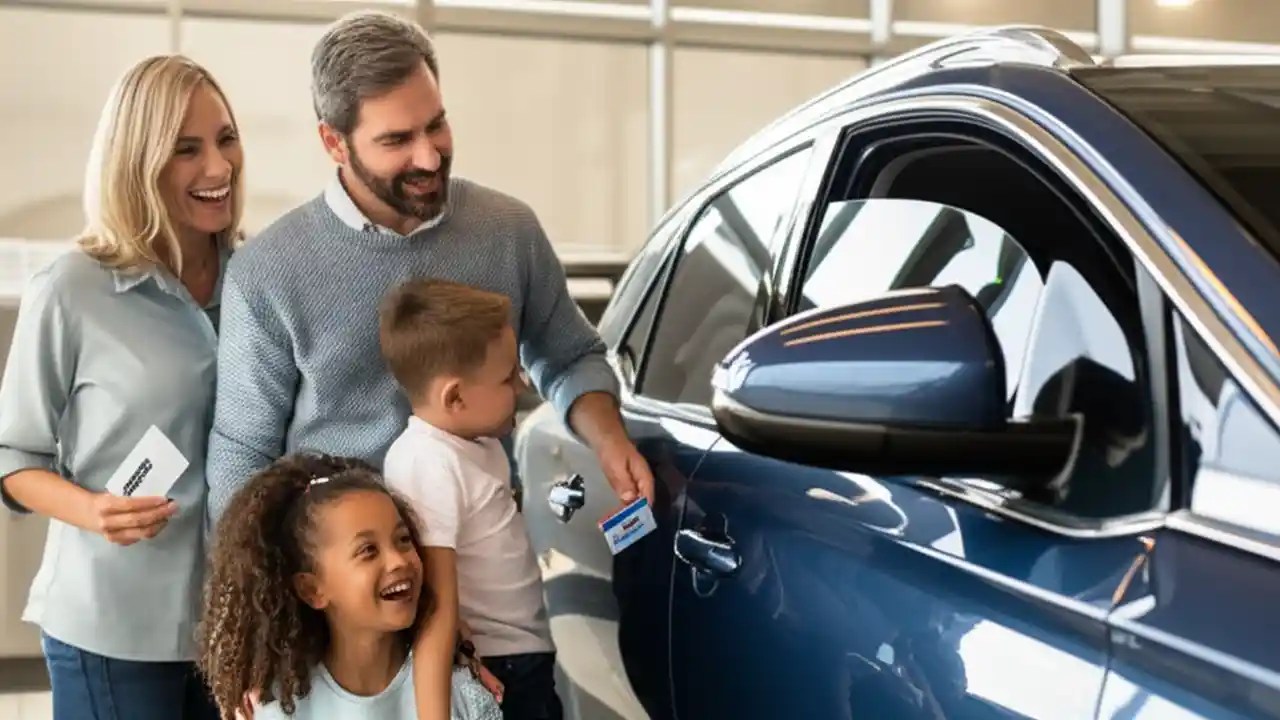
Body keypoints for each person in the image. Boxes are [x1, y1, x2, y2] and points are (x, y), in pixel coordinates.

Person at [204, 9, 654, 521]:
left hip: (481, 559)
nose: (430, 157)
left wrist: (610, 442)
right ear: (334, 142)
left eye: (436, 125)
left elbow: (570, 357)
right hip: (337, 581)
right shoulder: (267, 273)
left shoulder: (508, 231)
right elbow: (243, 451)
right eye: (397, 140)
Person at [0, 54, 243, 718]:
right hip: (114, 628)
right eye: (186, 150)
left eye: (226, 138)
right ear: (137, 161)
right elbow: (12, 458)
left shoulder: (257, 281)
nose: (218, 168)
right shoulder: (72, 289)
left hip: (236, 627)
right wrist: (92, 511)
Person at [196, 452, 504, 720]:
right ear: (312, 590)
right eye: (368, 550)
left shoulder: (463, 696)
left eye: (403, 540)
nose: (399, 561)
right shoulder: (277, 708)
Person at [379, 278, 559, 720]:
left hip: (524, 656)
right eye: (506, 376)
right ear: (454, 396)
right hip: (496, 667)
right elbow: (435, 609)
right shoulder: (427, 462)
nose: (520, 385)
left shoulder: (476, 443)